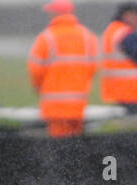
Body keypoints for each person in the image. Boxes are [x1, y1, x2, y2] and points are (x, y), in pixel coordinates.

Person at [27, 0, 98, 138]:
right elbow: (93, 67)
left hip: (55, 106)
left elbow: (35, 69)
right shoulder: (87, 36)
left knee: (58, 147)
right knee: (76, 145)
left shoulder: (46, 37)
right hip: (79, 104)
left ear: (55, 13)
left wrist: (38, 86)